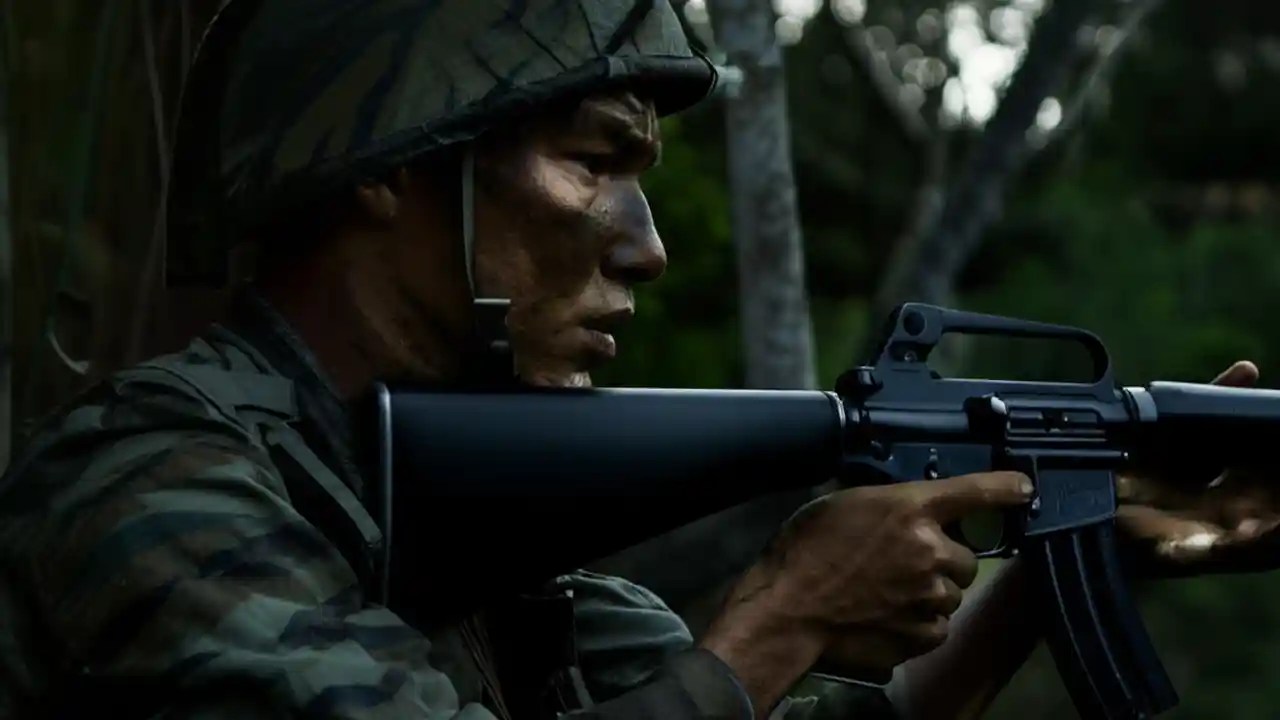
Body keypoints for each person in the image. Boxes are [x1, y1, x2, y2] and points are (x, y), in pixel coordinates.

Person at [1, 2, 1277, 719]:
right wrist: (782, 615)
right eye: (594, 163)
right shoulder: (150, 484)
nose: (646, 247)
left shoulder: (480, 553)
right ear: (389, 166)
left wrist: (1068, 544)